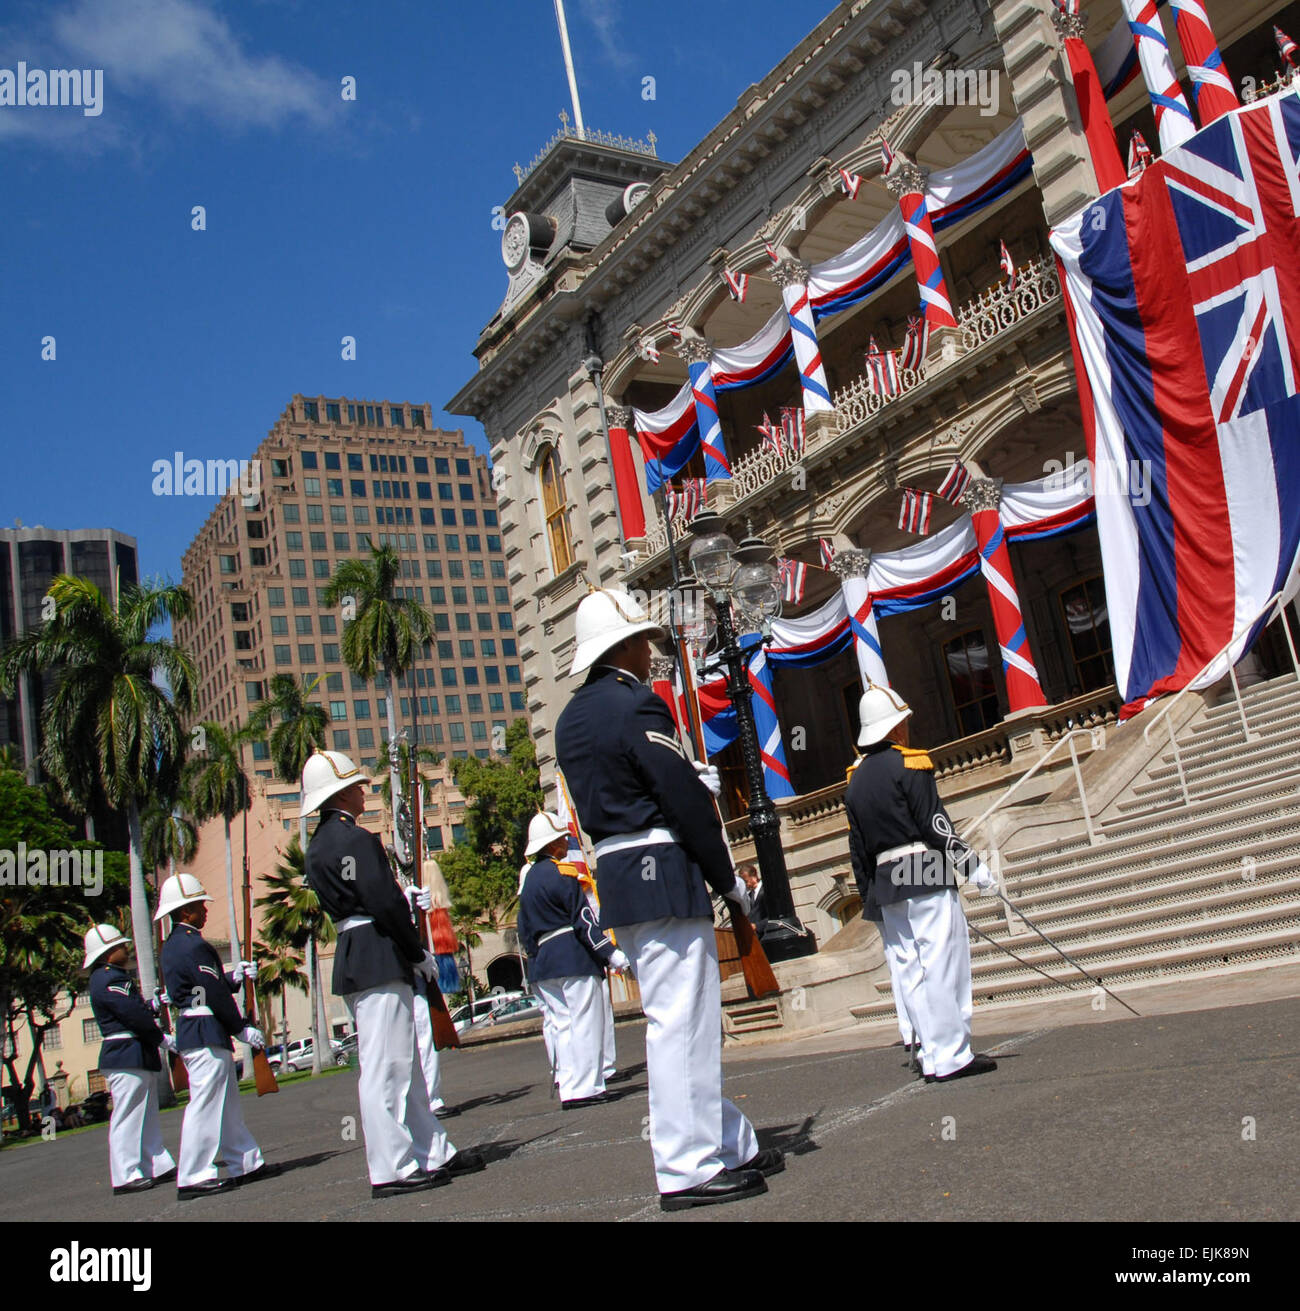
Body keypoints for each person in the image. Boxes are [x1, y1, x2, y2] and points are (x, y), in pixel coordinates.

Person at [555, 588, 783, 1211]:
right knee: (682, 1026)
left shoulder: (571, 718)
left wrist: (682, 775)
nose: (652, 653)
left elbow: (626, 786)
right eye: (645, 642)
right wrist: (729, 882)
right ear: (623, 645)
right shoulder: (636, 705)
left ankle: (731, 1143)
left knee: (676, 1023)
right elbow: (678, 805)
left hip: (622, 878)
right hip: (662, 869)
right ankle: (686, 1168)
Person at [301, 749, 484, 1198]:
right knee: (387, 1068)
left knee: (406, 1066)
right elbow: (383, 903)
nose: (364, 793)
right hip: (378, 952)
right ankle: (390, 1166)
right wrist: (416, 948)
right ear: (341, 792)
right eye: (357, 786)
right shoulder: (355, 841)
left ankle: (431, 1149)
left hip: (359, 951)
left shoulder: (319, 844)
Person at [845, 684, 997, 1084]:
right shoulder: (910, 765)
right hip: (923, 868)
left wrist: (869, 900)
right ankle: (952, 1055)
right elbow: (935, 825)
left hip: (885, 879)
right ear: (894, 729)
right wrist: (972, 865)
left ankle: (931, 1052)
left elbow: (858, 849)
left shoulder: (854, 781)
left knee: (909, 969)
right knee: (942, 962)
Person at [156, 873, 276, 1198]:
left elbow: (204, 987)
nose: (204, 911)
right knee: (207, 1105)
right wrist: (240, 1028)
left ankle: (245, 1161)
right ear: (184, 912)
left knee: (225, 1105)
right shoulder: (194, 944)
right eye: (198, 906)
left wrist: (233, 978)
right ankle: (194, 1175)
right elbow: (210, 992)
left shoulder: (174, 945)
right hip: (205, 1030)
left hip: (198, 1028)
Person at [516, 812, 628, 1109]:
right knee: (585, 1022)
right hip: (572, 957)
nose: (567, 843)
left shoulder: (527, 884)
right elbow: (583, 920)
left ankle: (570, 1086)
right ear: (552, 845)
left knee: (563, 1025)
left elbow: (524, 930)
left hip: (544, 963)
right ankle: (589, 1086)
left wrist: (535, 963)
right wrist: (609, 952)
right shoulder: (563, 874)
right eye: (562, 839)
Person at [83, 924, 177, 1194]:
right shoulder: (109, 978)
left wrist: (151, 1006)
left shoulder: (112, 977)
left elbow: (132, 1009)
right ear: (108, 952)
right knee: (128, 1116)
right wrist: (160, 1037)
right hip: (126, 1052)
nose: (125, 949)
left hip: (132, 1051)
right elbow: (130, 1016)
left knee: (145, 1114)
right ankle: (125, 1174)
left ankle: (156, 1163)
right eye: (120, 946)